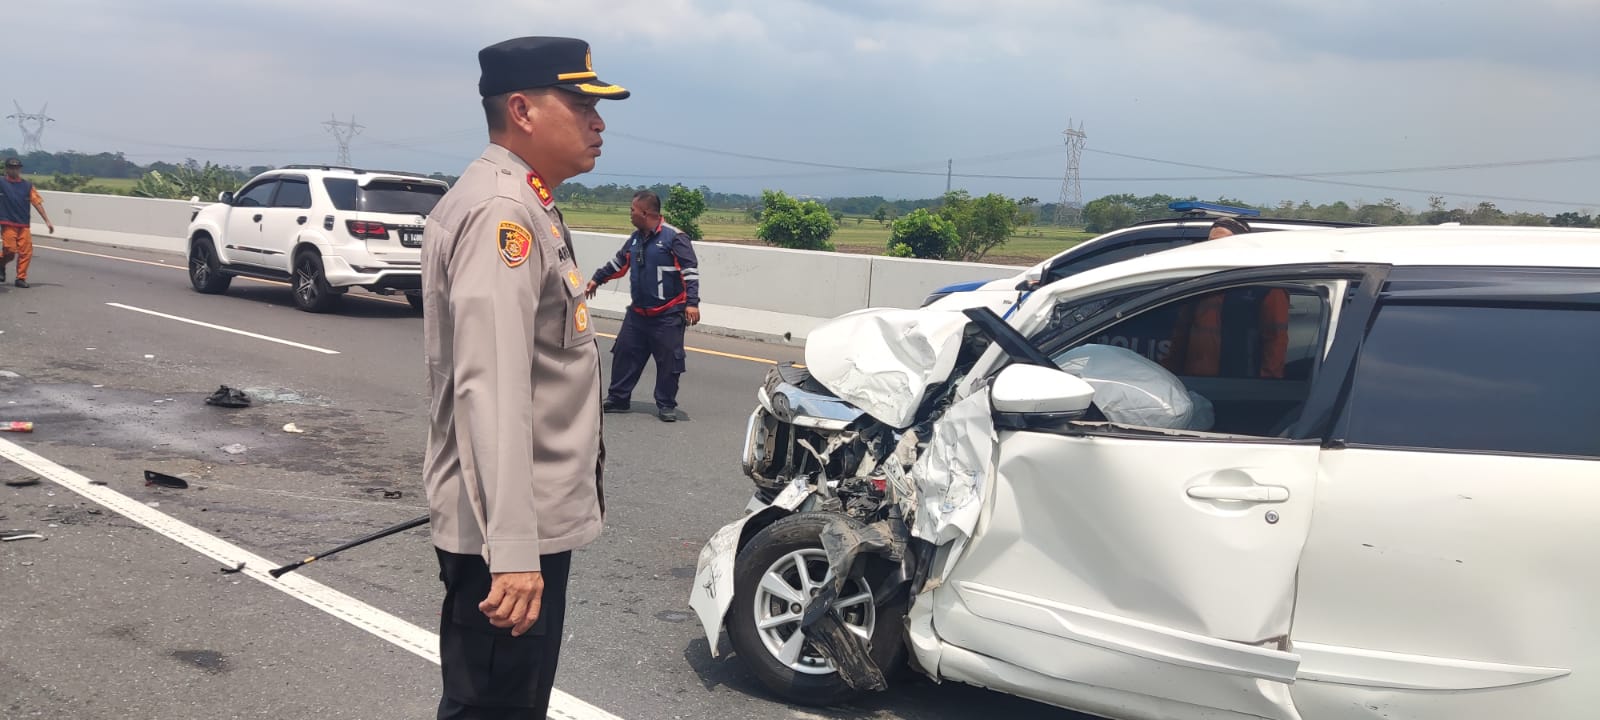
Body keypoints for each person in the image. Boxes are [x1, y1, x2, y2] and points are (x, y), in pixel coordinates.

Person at [419, 36, 628, 720]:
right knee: (492, 709)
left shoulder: (524, 202)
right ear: (522, 110)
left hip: (520, 524)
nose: (598, 122)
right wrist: (511, 552)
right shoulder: (504, 214)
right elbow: (493, 387)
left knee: (507, 705)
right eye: (580, 104)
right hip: (508, 535)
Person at [585, 191, 700, 422]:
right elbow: (619, 263)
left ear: (645, 212)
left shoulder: (675, 238)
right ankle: (618, 398)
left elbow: (690, 272)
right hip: (638, 315)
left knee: (670, 361)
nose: (630, 214)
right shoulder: (635, 239)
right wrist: (598, 278)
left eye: (632, 210)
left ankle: (666, 404)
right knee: (624, 354)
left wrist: (692, 304)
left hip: (668, 314)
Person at [1162, 217, 1290, 378]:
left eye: (1223, 243)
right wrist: (1167, 374)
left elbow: (1276, 342)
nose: (1215, 249)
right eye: (1211, 243)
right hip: (1195, 383)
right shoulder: (1197, 284)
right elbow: (1180, 338)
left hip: (1238, 386)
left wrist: (1267, 388)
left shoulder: (1265, 287)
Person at [0, 158, 55, 288]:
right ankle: (1, 264)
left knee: (26, 252)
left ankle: (21, 278)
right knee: (10, 250)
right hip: (7, 221)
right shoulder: (1, 182)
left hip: (23, 223)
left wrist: (47, 221)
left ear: (20, 169)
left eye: (16, 168)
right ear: (6, 169)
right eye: (11, 168)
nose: (14, 170)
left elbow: (37, 203)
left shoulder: (27, 186)